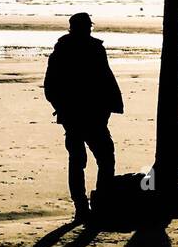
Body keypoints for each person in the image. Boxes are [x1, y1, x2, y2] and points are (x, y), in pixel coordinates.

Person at [44, 12, 123, 222]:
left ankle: (87, 206)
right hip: (86, 115)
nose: (89, 29)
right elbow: (52, 86)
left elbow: (51, 87)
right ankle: (92, 205)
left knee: (84, 159)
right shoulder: (90, 49)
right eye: (87, 26)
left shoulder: (67, 50)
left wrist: (62, 107)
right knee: (101, 158)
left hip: (81, 115)